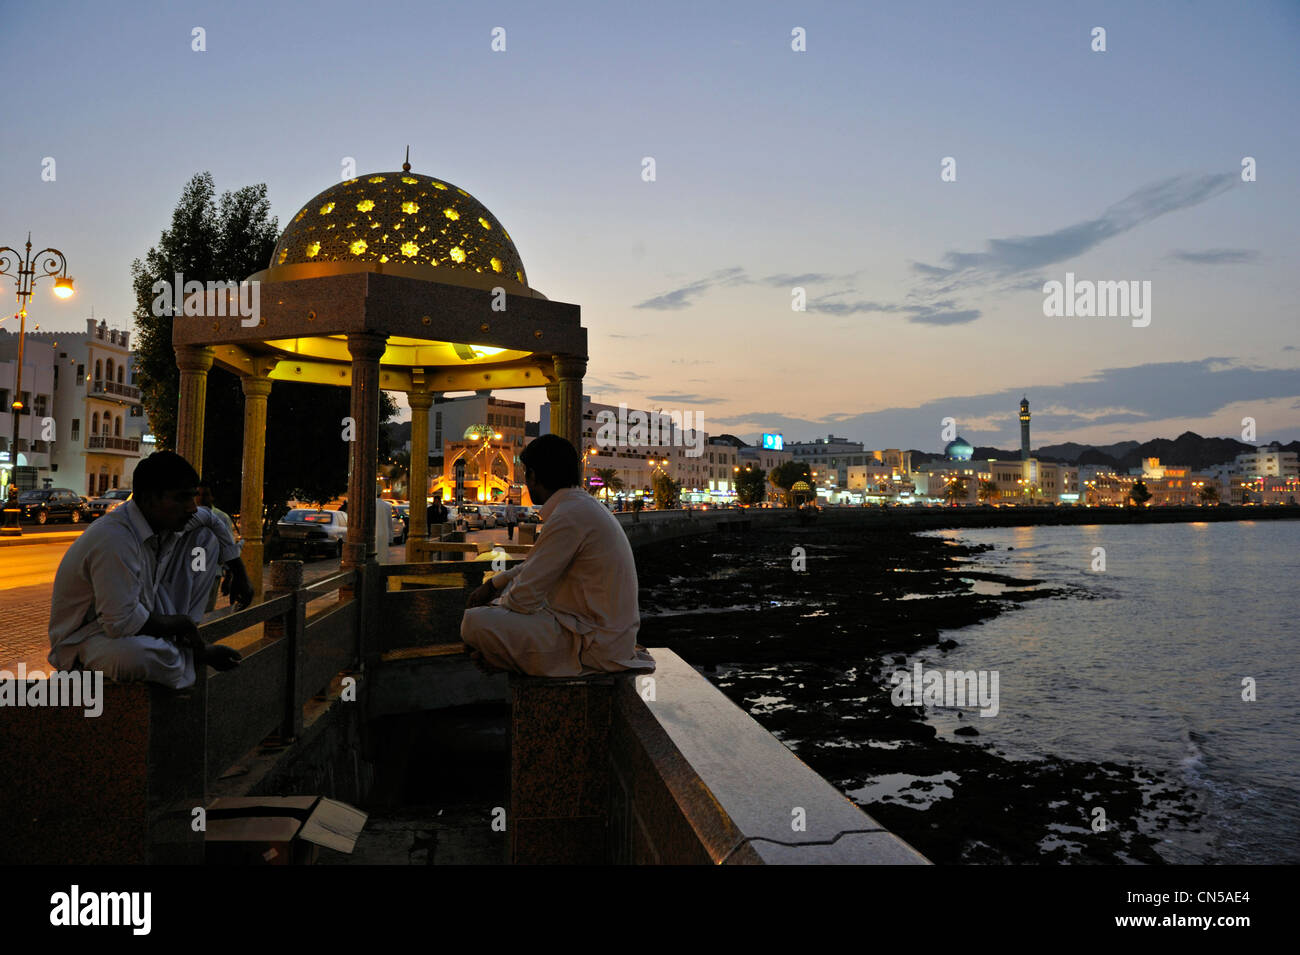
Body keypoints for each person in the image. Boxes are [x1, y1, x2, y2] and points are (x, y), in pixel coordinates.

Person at [47, 451, 251, 689]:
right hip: (86, 639)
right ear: (149, 499)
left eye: (192, 498)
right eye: (181, 499)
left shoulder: (169, 519)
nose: (191, 508)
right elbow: (119, 623)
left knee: (207, 537)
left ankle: (183, 645)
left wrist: (238, 570)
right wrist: (182, 626)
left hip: (140, 613)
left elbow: (212, 520)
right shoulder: (115, 537)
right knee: (138, 656)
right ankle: (185, 651)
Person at [461, 434, 654, 677]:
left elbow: (523, 598)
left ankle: (507, 660)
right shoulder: (580, 507)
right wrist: (495, 584)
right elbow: (534, 566)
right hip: (604, 637)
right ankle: (509, 659)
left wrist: (497, 603)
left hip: (595, 645)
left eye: (526, 474)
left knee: (474, 622)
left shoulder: (569, 515)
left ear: (533, 475)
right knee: (492, 618)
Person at [373, 494, 394, 560]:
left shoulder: (369, 505)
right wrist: (391, 538)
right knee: (382, 556)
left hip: (373, 534)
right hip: (384, 534)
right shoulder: (387, 506)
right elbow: (389, 523)